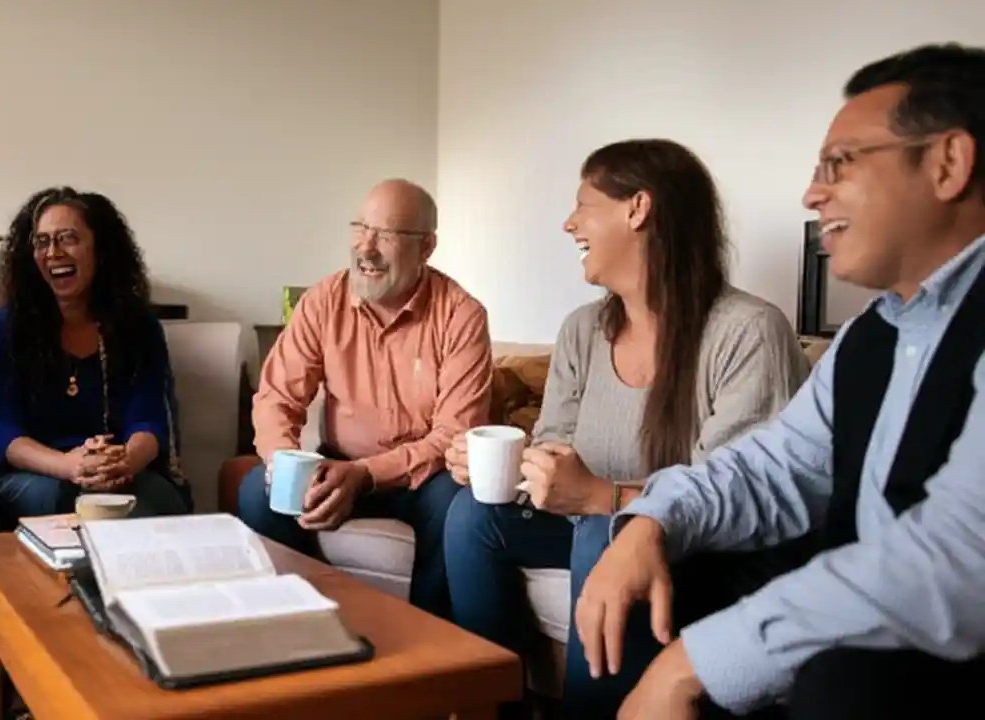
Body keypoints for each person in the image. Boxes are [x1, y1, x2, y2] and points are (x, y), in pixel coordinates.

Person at [576, 43, 985, 720]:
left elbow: (961, 557)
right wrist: (650, 519)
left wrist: (697, 662)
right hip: (871, 644)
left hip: (938, 655)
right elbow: (773, 468)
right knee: (678, 573)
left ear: (947, 163)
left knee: (845, 684)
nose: (811, 193)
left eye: (839, 164)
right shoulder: (870, 339)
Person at [441, 139, 811, 718]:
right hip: (599, 523)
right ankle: (496, 706)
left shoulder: (748, 331)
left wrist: (603, 498)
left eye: (583, 205)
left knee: (601, 531)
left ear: (638, 209)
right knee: (471, 515)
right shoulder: (583, 329)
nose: (569, 224)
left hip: (703, 549)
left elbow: (740, 493)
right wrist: (505, 469)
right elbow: (553, 444)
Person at [236, 178, 493, 617]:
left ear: (426, 247)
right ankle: (302, 622)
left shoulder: (461, 315)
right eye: (361, 227)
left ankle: (432, 645)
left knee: (459, 504)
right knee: (257, 494)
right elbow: (277, 397)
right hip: (337, 462)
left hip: (425, 477)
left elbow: (454, 436)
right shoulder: (322, 302)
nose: (366, 248)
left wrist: (365, 475)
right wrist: (282, 460)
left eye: (387, 235)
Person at [0, 187, 190, 526]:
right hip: (36, 473)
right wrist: (69, 465)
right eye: (42, 242)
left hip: (119, 472)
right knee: (60, 499)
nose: (53, 252)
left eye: (67, 238)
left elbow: (149, 420)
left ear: (101, 249)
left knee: (151, 501)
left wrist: (124, 462)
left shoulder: (138, 325)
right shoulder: (8, 326)